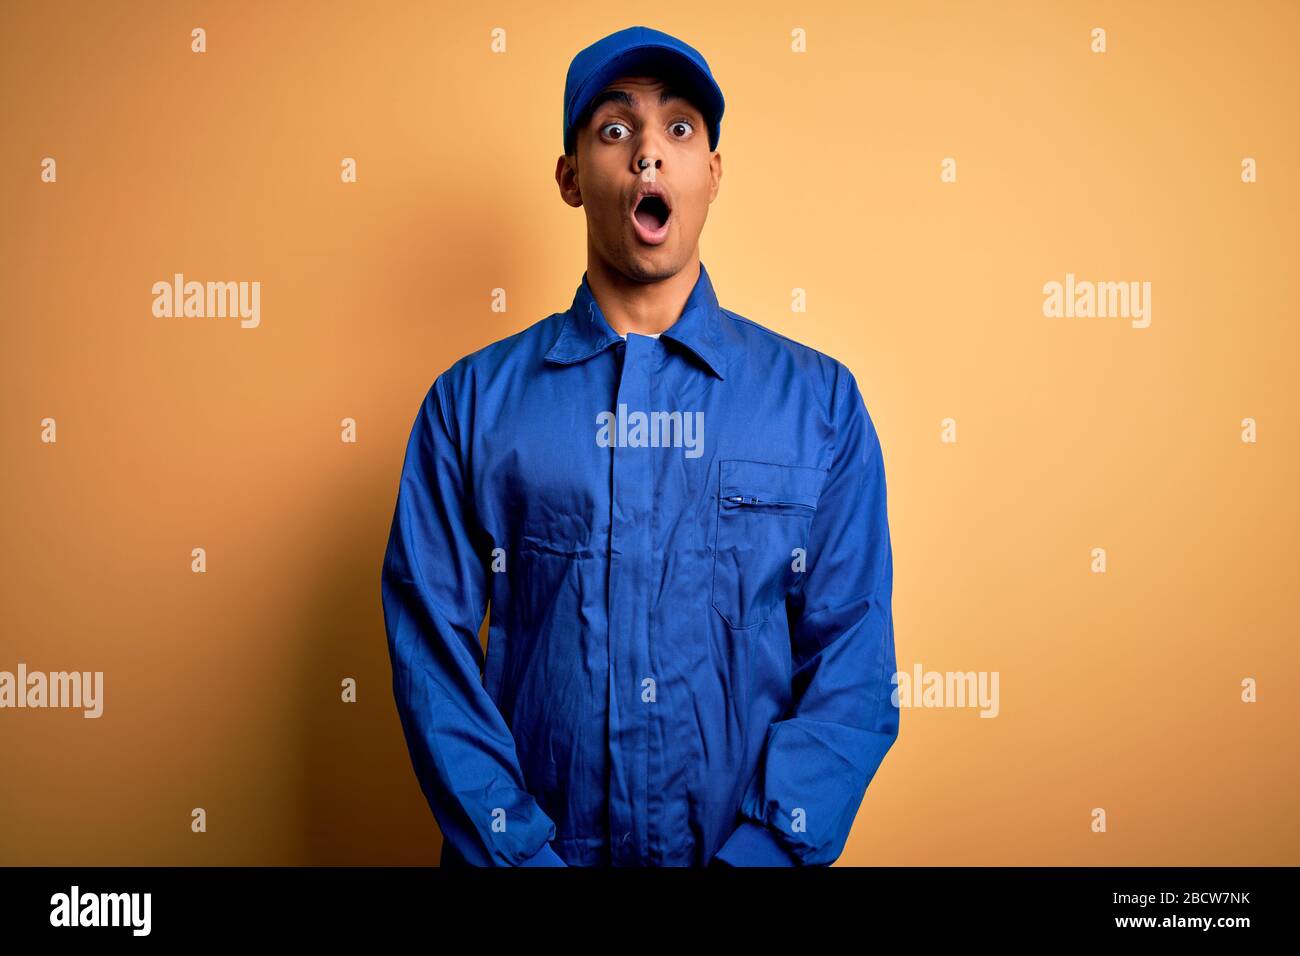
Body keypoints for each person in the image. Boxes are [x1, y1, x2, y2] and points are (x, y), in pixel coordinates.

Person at [380, 25, 898, 867]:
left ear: (714, 174)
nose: (648, 154)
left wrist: (763, 856)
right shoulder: (469, 405)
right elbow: (431, 663)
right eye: (616, 130)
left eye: (680, 129)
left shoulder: (821, 404)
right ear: (571, 177)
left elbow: (853, 669)